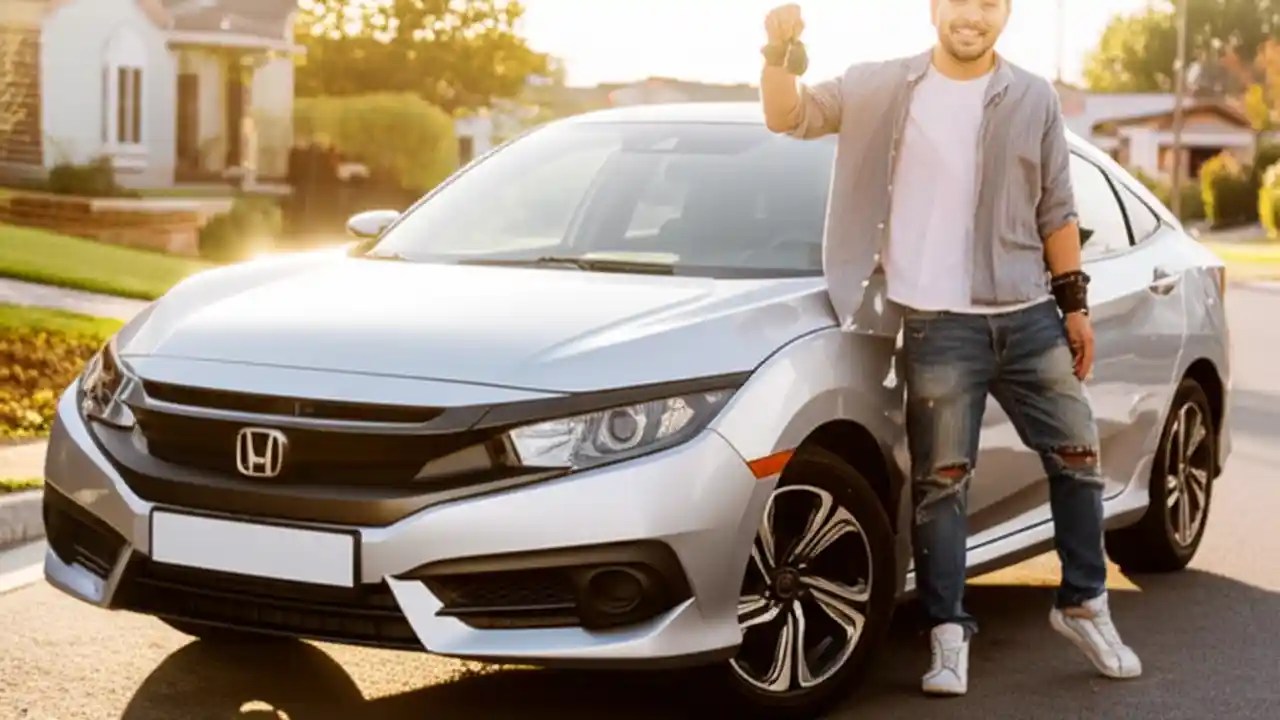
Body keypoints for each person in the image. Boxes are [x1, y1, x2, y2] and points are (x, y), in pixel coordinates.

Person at [758, 0, 1142, 697]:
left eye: (988, 3)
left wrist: (1074, 306)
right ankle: (947, 635)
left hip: (1028, 315)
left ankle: (1085, 602)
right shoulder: (878, 85)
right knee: (942, 487)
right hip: (939, 326)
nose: (973, 14)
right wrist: (778, 53)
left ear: (1006, 14)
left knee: (1080, 456)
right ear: (935, 8)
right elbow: (789, 116)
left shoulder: (1033, 96)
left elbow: (1057, 207)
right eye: (960, 0)